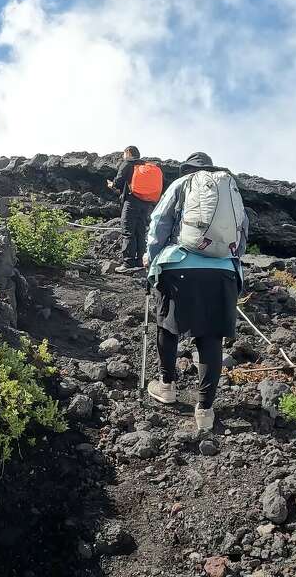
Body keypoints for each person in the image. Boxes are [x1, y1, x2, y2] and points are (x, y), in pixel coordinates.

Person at [143, 152, 249, 431]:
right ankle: (205, 411)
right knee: (211, 338)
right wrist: (229, 265)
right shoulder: (230, 190)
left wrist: (153, 260)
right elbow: (243, 232)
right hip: (225, 272)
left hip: (180, 265)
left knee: (168, 325)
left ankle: (167, 386)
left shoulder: (182, 184)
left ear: (187, 169)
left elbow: (159, 224)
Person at [108, 145, 155, 273]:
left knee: (128, 231)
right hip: (145, 203)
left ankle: (128, 263)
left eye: (123, 154)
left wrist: (111, 184)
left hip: (131, 202)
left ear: (128, 153)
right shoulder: (146, 166)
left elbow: (118, 182)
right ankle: (140, 261)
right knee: (140, 232)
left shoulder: (128, 163)